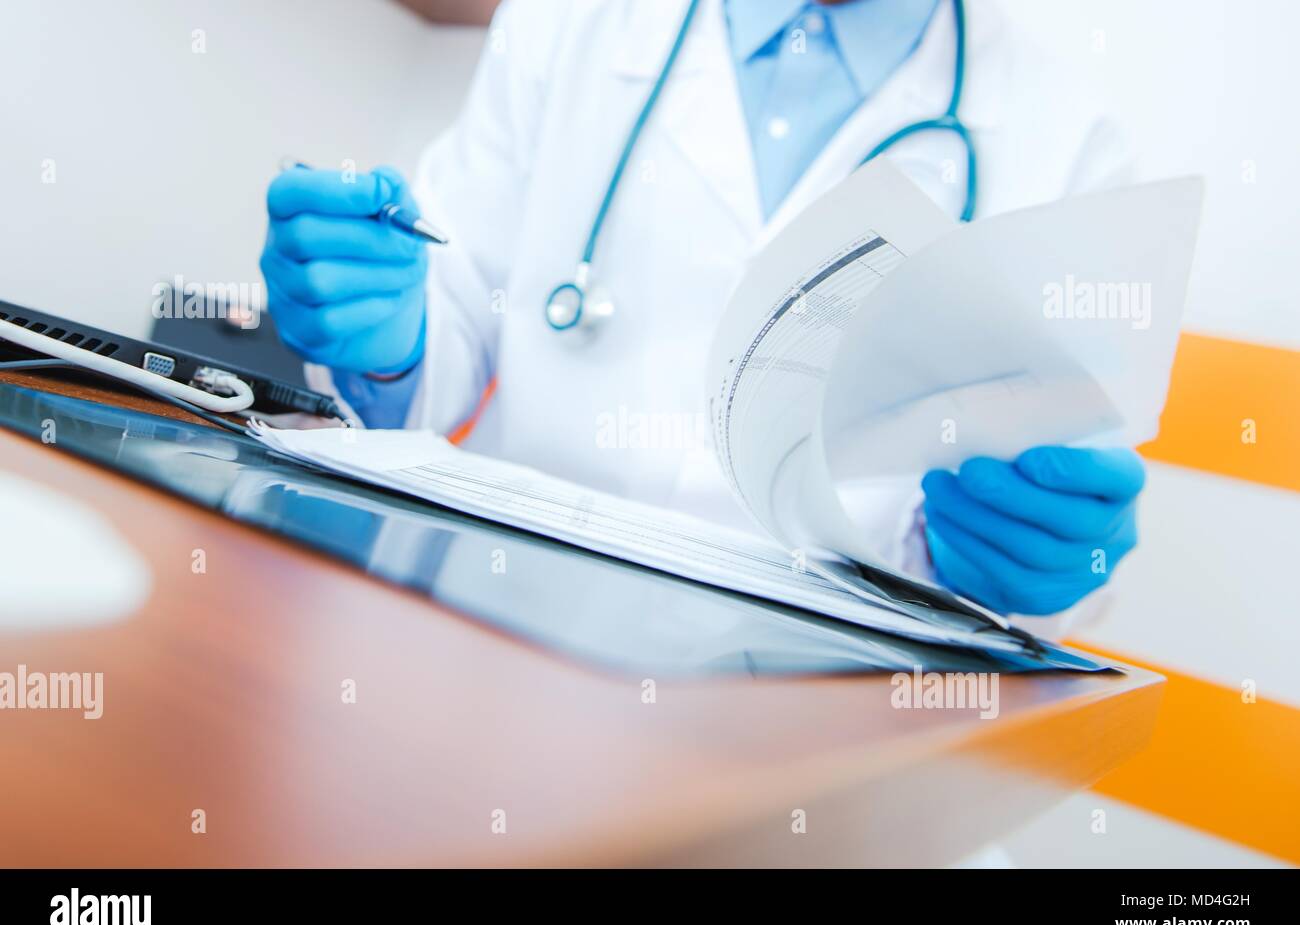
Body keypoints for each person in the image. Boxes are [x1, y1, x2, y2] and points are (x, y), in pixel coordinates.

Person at [259, 0, 1144, 621]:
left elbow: (1050, 502)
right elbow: (451, 317)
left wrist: (1029, 556)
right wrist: (387, 333)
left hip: (816, 712)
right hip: (494, 624)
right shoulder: (568, 21)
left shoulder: (1067, 138)